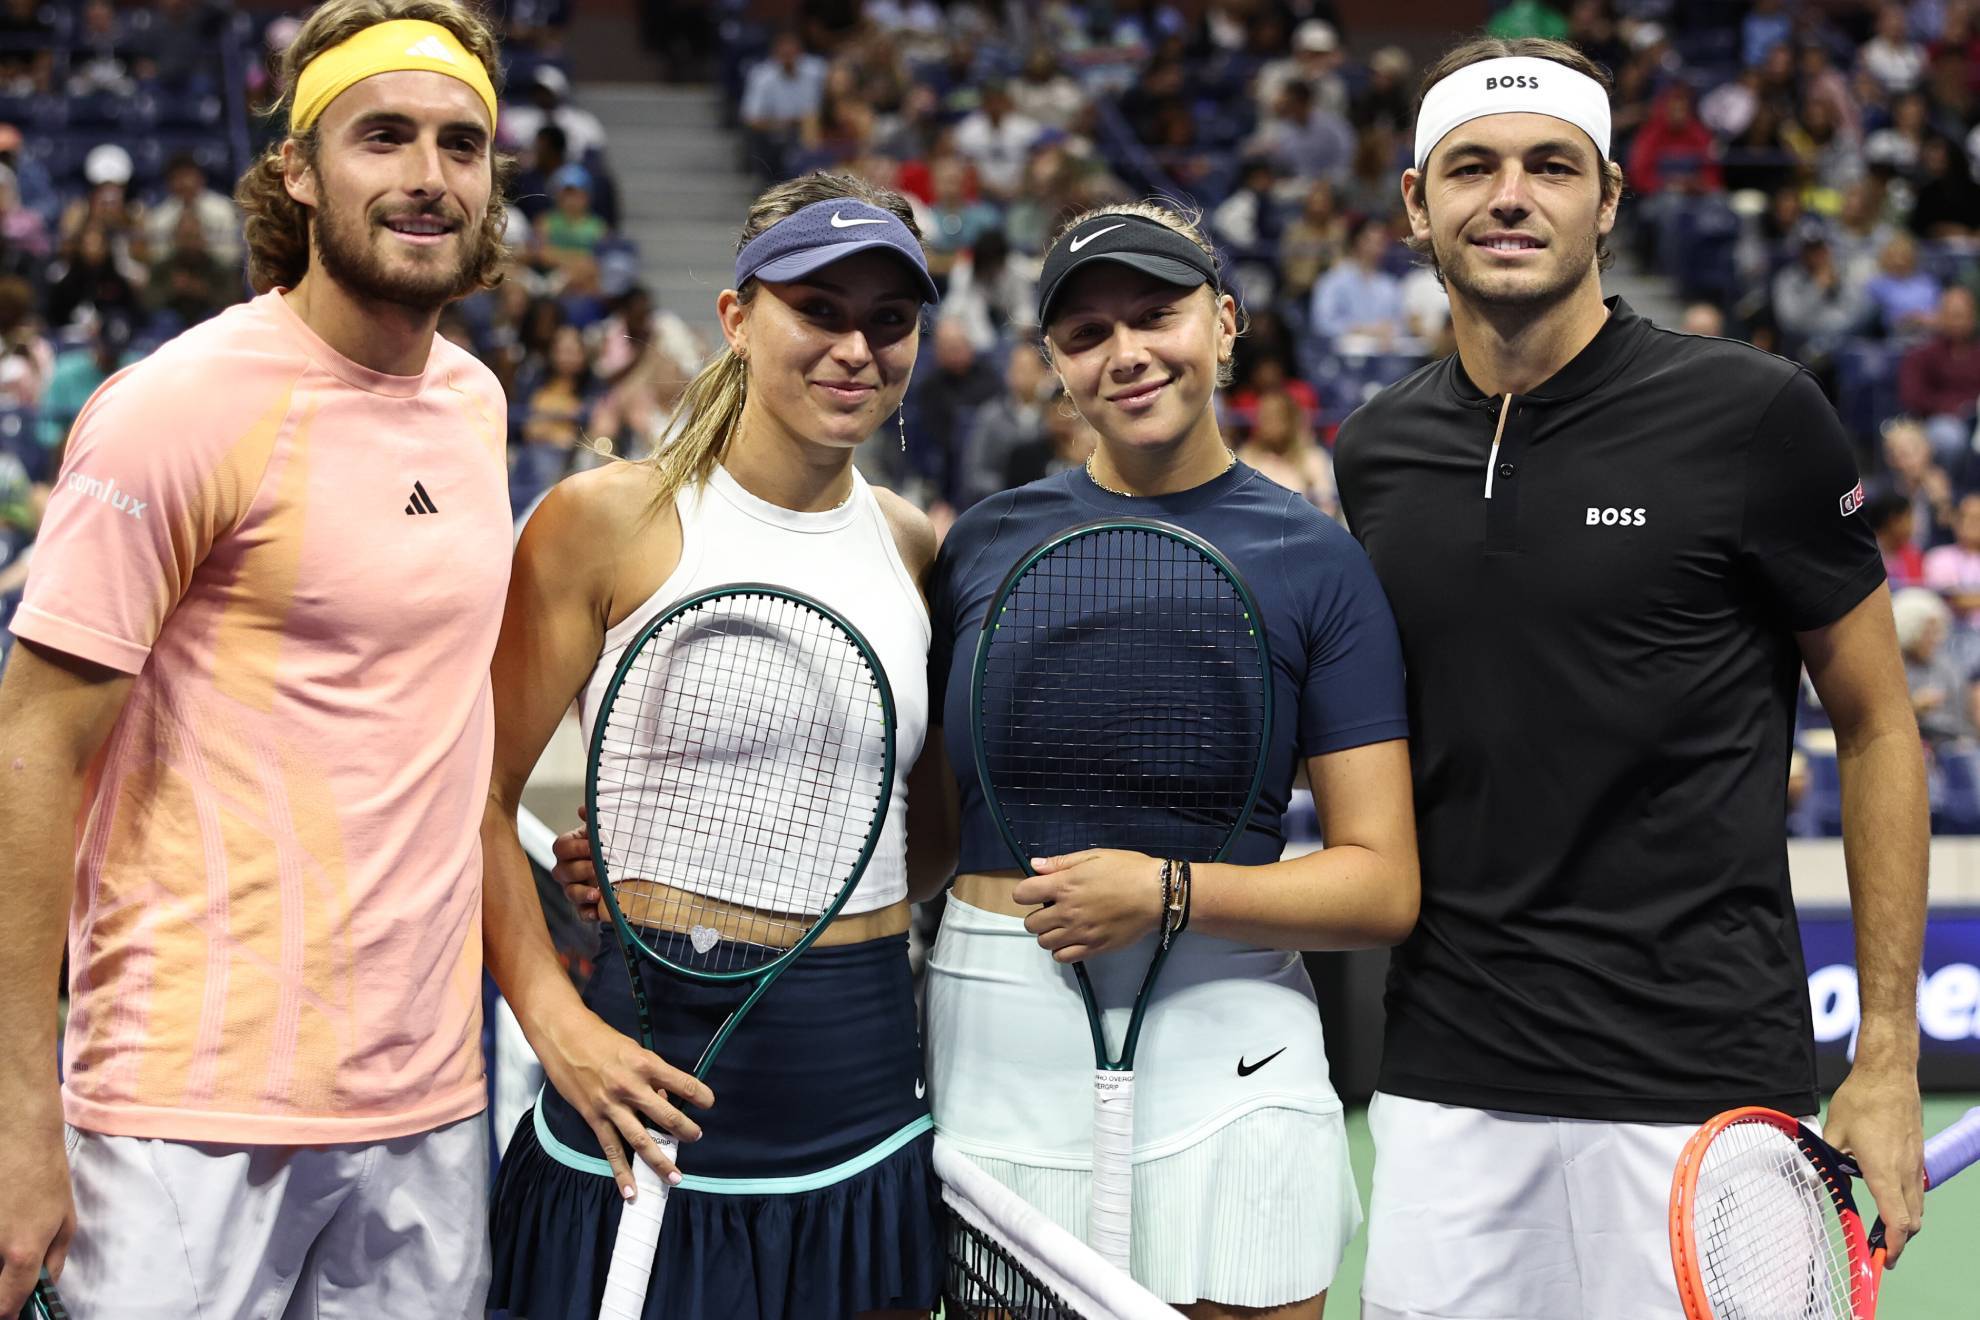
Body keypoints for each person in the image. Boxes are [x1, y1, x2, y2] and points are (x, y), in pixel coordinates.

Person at [1334, 37, 1928, 1320]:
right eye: (1473, 167)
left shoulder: (1758, 415)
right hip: (1445, 1084)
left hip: (1704, 1093)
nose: (1511, 196)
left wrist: (1886, 1053)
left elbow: (1880, 725)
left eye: (1552, 166)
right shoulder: (1375, 450)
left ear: (1608, 199)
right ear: (1415, 206)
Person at [0, 1, 514, 1314]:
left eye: (462, 143)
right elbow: (32, 751)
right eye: (382, 135)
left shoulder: (474, 403)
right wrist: (14, 1113)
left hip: (426, 1101)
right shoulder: (178, 408)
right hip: (184, 1107)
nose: (426, 177)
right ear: (296, 168)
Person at [924, 203, 1419, 1317]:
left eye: (1158, 315)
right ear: (1053, 362)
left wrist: (1167, 893)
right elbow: (925, 831)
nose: (1128, 354)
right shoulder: (981, 542)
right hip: (997, 1035)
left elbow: (1382, 884)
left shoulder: (1318, 562)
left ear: (1227, 322)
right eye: (1088, 334)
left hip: (1230, 1049)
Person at [483, 173, 949, 1320]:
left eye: (889, 321)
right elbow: (470, 799)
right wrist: (556, 1021)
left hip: (871, 1091)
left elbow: (915, 838)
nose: (856, 347)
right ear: (739, 319)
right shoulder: (604, 521)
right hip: (643, 1094)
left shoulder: (911, 543)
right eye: (819, 310)